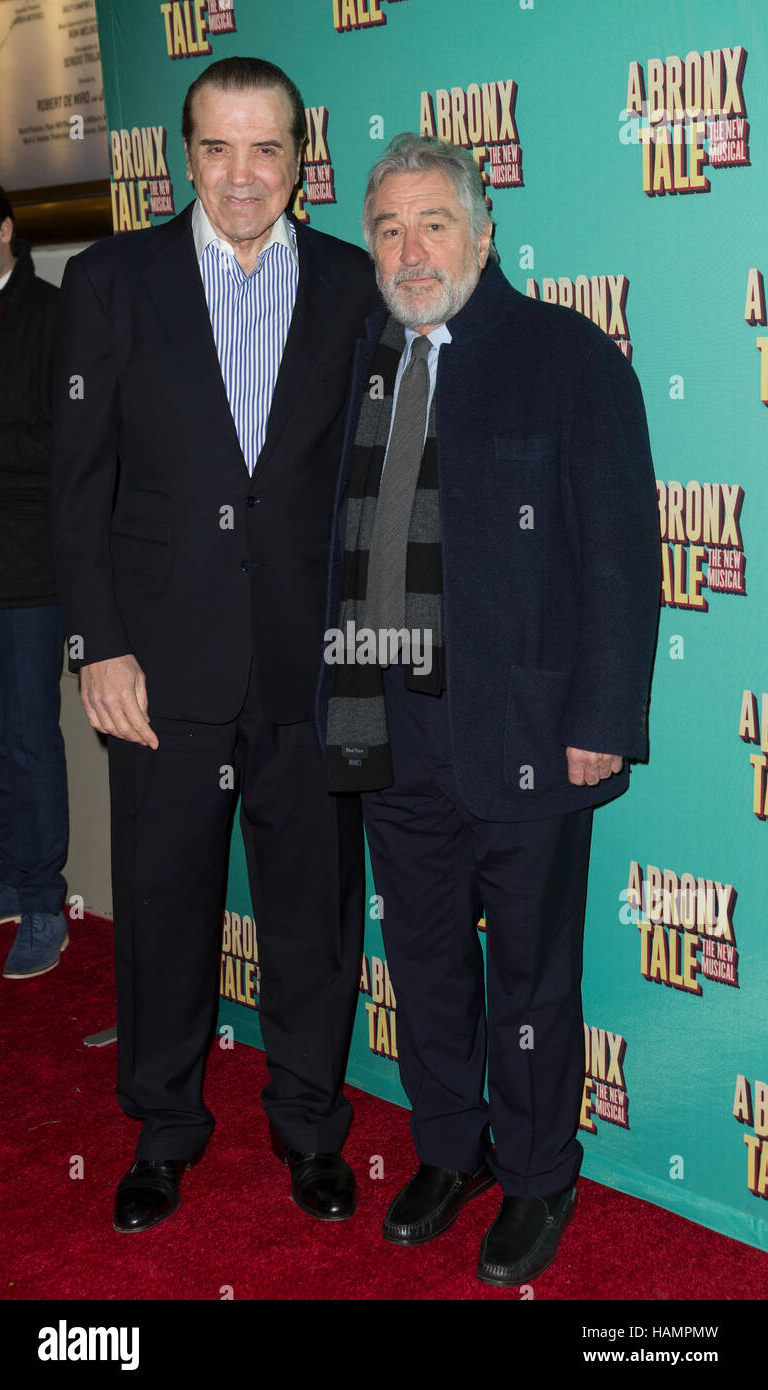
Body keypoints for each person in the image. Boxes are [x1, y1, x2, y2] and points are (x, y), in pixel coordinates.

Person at [320, 133, 660, 1285]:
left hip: (528, 734)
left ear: (483, 233)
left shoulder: (566, 356)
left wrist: (600, 718)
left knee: (529, 976)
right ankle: (448, 1150)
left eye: (433, 225)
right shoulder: (362, 357)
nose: (411, 251)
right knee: (421, 964)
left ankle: (535, 1174)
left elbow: (618, 554)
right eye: (388, 229)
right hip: (391, 726)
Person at [52, 57, 379, 1234]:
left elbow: (377, 488)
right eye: (219, 148)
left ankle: (309, 1125)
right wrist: (99, 644)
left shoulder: (355, 283)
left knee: (314, 913)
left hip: (313, 665)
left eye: (268, 149)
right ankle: (164, 1128)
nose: (243, 176)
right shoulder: (110, 279)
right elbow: (78, 485)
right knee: (160, 905)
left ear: (303, 156)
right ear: (186, 154)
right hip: (159, 668)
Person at [0, 177, 69, 980]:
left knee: (28, 734)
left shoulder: (52, 317)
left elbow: (66, 450)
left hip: (29, 563)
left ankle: (46, 900)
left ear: (6, 231)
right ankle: (10, 872)